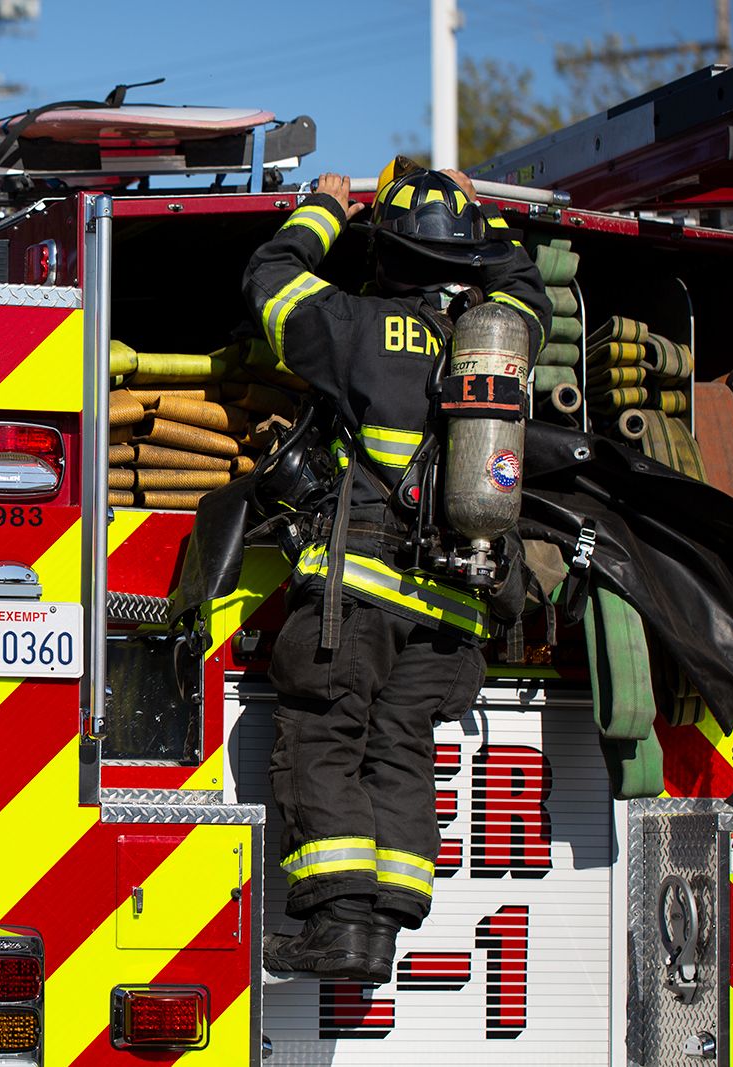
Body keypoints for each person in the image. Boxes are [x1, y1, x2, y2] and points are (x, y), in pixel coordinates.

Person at [242, 159, 551, 983]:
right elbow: (528, 286)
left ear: (385, 253)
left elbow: (268, 279)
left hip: (362, 593)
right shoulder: (504, 337)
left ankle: (338, 925)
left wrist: (321, 213)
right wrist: (488, 223)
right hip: (459, 607)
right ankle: (379, 935)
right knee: (403, 751)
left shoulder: (357, 325)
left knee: (324, 733)